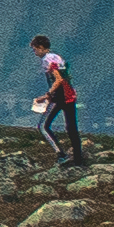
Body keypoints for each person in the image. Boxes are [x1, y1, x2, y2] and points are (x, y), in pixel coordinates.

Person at [30, 34, 85, 163]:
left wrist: (47, 95)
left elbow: (57, 79)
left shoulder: (46, 60)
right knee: (72, 128)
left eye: (35, 49)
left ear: (41, 47)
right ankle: (79, 158)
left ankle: (61, 154)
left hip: (59, 97)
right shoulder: (57, 57)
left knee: (43, 127)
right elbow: (64, 76)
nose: (35, 52)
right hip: (70, 94)